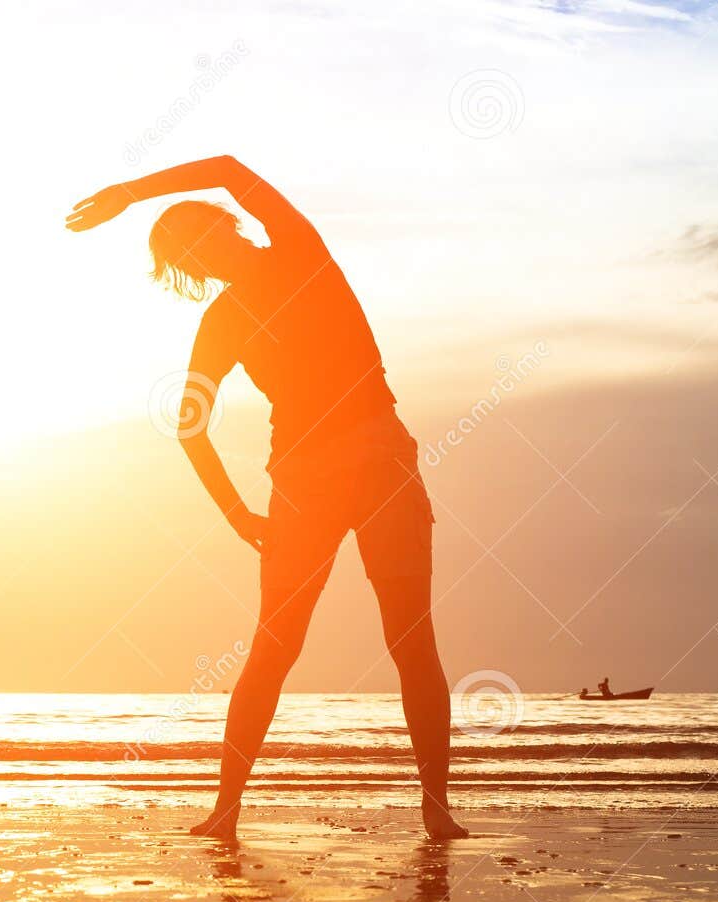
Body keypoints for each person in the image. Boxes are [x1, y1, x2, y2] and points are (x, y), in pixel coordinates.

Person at [66, 156, 468, 840]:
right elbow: (189, 424)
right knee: (291, 646)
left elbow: (225, 166)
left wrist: (130, 193)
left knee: (396, 641)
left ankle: (431, 807)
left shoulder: (293, 258)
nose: (214, 254)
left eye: (202, 243)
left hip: (360, 463)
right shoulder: (258, 288)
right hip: (328, 470)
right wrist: (235, 514)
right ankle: (228, 809)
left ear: (220, 232)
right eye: (196, 252)